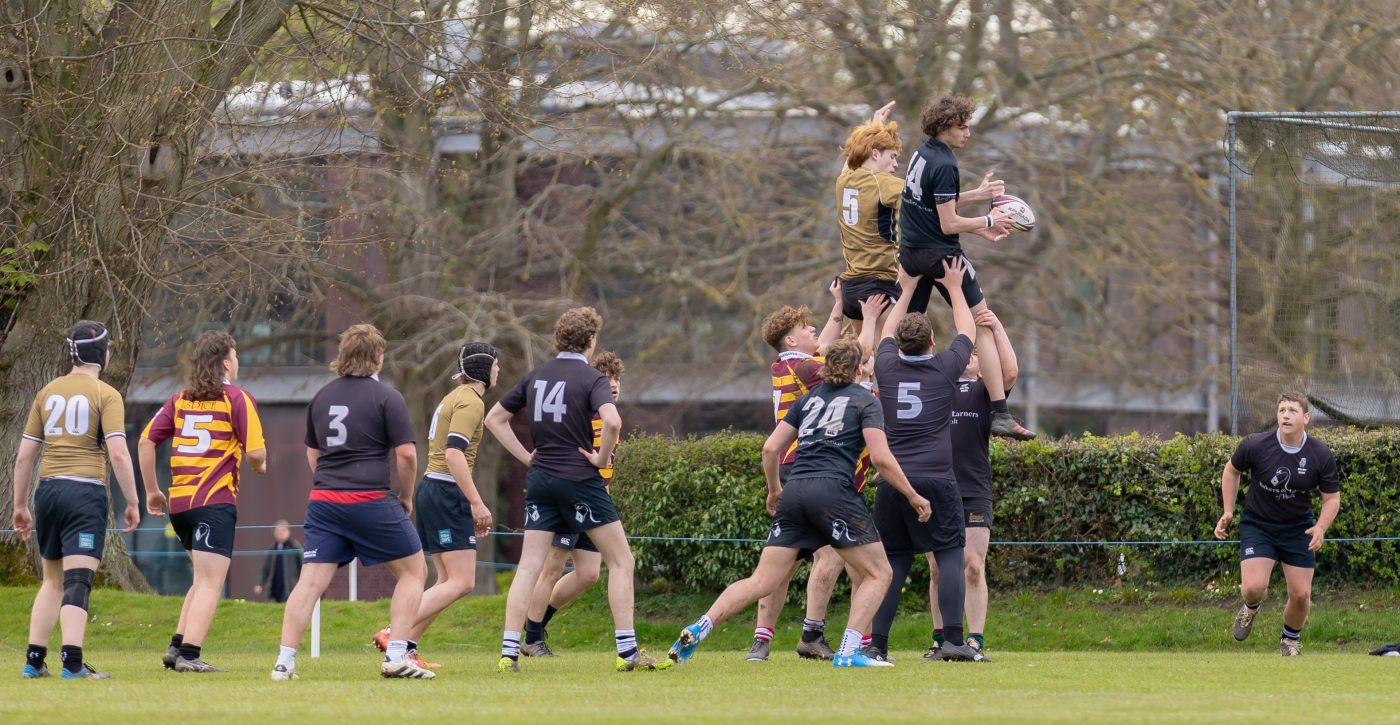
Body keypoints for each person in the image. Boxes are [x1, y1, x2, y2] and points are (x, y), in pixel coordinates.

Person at [668, 338, 932, 669]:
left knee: (761, 581)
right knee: (879, 572)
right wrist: (913, 495)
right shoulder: (866, 401)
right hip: (833, 492)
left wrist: (774, 489)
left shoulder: (806, 401)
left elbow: (769, 449)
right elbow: (881, 458)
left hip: (794, 491)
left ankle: (699, 627)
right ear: (858, 368)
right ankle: (849, 652)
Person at [485, 308, 670, 673]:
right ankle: (627, 651)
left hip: (540, 481)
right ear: (591, 340)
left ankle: (508, 653)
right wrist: (601, 459)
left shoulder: (535, 376)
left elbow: (494, 419)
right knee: (622, 561)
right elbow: (613, 420)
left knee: (529, 566)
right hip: (579, 481)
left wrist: (527, 458)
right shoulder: (591, 377)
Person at [270, 324, 433, 680]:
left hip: (324, 501)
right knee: (414, 571)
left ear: (343, 355)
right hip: (370, 498)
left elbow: (313, 453)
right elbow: (405, 455)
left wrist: (330, 484)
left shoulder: (322, 397)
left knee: (310, 582)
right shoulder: (388, 397)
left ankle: (284, 662)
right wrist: (405, 496)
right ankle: (395, 655)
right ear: (377, 357)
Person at [866, 259, 989, 663]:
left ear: (898, 347)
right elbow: (968, 331)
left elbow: (885, 330)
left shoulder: (886, 366)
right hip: (937, 479)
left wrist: (905, 286)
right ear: (932, 343)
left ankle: (878, 645)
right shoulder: (944, 370)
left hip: (893, 481)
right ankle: (953, 640)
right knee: (951, 553)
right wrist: (954, 286)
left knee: (893, 564)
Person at [897, 93, 1034, 441]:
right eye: (962, 127)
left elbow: (936, 199)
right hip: (943, 256)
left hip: (911, 254)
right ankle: (1000, 414)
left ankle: (892, 404)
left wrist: (977, 194)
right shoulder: (945, 164)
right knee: (983, 322)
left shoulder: (923, 153)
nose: (968, 133)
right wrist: (989, 218)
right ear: (945, 127)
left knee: (907, 332)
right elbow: (948, 224)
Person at [14, 321, 140, 680]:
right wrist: (132, 501)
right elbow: (117, 454)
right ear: (101, 353)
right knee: (78, 579)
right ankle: (72, 663)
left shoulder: (47, 392)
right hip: (84, 493)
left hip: (48, 491)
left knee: (51, 580)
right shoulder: (106, 394)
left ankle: (34, 661)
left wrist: (20, 506)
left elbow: (24, 457)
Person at [140, 330, 268, 673]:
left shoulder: (180, 400)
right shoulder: (238, 399)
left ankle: (176, 647)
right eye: (236, 355)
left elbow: (145, 442)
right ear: (226, 363)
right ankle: (191, 656)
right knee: (212, 582)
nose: (238, 361)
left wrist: (153, 490)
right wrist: (260, 465)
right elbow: (256, 452)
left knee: (200, 578)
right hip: (214, 502)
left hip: (180, 505)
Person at [371, 342, 498, 669]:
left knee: (445, 580)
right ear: (484, 370)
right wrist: (476, 501)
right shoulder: (471, 402)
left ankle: (407, 648)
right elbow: (454, 454)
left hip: (433, 489)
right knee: (462, 581)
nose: (499, 370)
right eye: (496, 365)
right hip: (446, 491)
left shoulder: (452, 397)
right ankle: (393, 632)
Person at [746, 286, 854, 662]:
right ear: (791, 338)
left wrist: (840, 306)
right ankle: (811, 634)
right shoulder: (807, 367)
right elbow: (848, 362)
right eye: (807, 327)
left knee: (783, 561)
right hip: (810, 468)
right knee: (831, 555)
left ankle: (761, 641)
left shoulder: (786, 363)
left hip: (790, 471)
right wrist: (869, 322)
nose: (814, 330)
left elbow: (824, 342)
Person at [1215, 393, 1340, 657]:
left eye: (1292, 410)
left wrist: (1320, 527)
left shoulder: (1319, 454)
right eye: (1281, 410)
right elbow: (1231, 470)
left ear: (1305, 418)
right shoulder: (1255, 445)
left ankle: (1289, 639)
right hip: (1258, 525)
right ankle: (1250, 607)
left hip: (1298, 528)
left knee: (1301, 595)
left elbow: (1331, 499)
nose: (1285, 415)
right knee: (1253, 588)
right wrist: (1228, 511)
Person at [926, 307, 1017, 660]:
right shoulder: (939, 388)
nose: (973, 356)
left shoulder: (985, 391)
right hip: (936, 486)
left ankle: (975, 639)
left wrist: (995, 326)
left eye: (979, 353)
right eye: (970, 350)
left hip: (974, 488)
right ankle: (939, 639)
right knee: (937, 567)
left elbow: (1010, 370)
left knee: (973, 566)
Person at [522, 351, 625, 657]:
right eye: (607, 379)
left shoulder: (609, 418)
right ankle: (531, 636)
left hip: (594, 502)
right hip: (574, 498)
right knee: (552, 566)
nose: (614, 385)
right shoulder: (585, 416)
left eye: (617, 378)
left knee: (589, 573)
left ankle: (537, 626)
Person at [835, 100, 904, 336]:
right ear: (875, 153)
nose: (894, 165)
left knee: (866, 364)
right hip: (877, 286)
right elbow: (936, 202)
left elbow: (853, 159)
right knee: (892, 360)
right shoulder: (883, 183)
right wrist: (978, 198)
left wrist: (874, 127)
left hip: (851, 288)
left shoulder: (844, 180)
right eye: (892, 157)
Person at [255, 521, 302, 603]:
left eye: (283, 530)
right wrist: (259, 584)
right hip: (276, 585)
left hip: (291, 586)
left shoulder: (294, 546)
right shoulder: (273, 548)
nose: (280, 533)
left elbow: (303, 564)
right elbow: (265, 568)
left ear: (288, 532)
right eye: (278, 531)